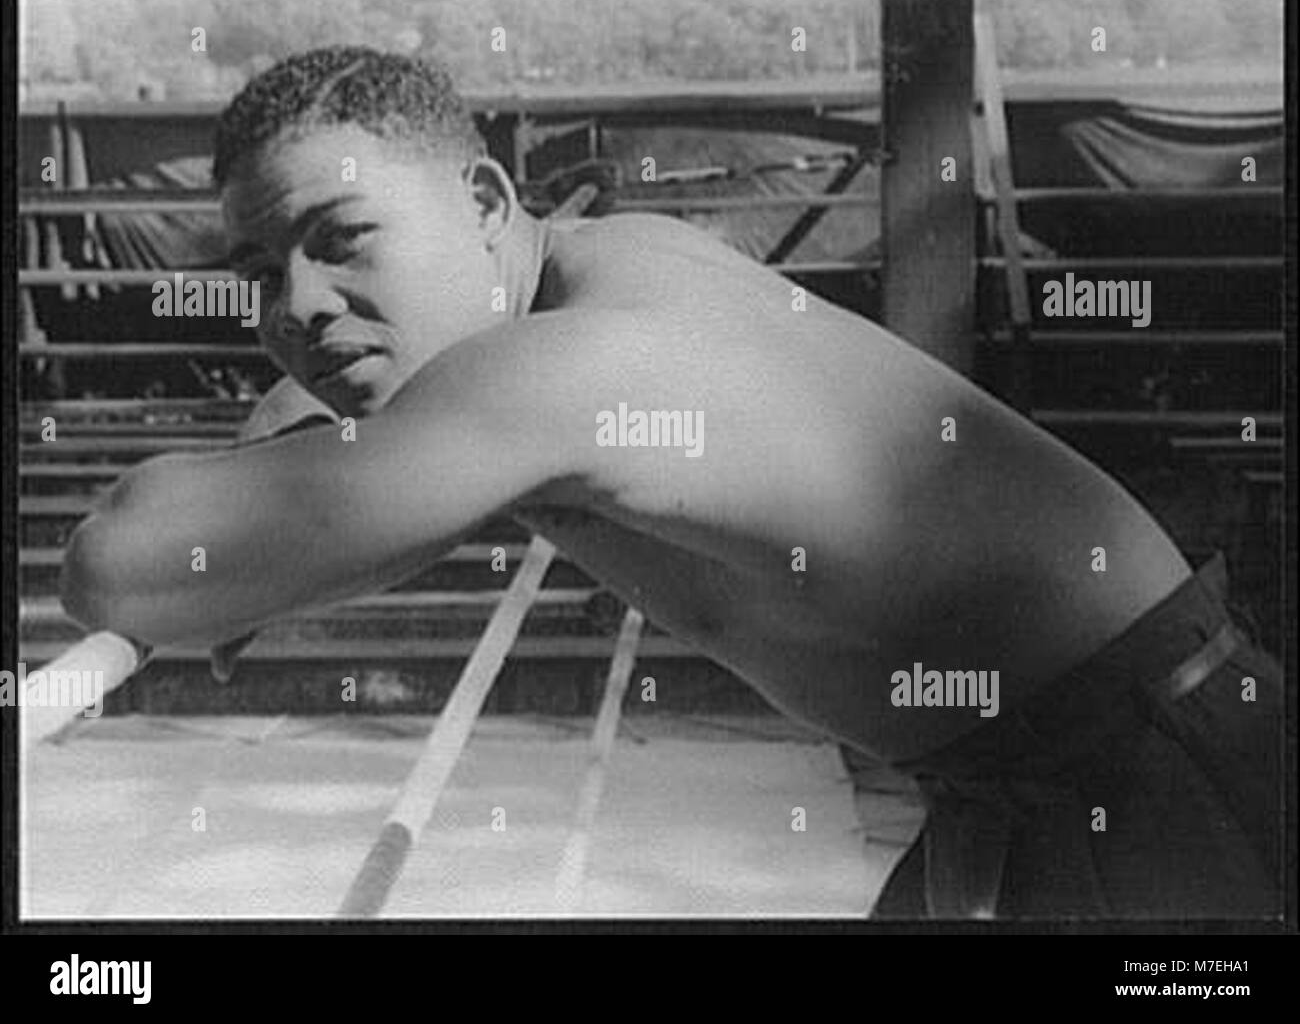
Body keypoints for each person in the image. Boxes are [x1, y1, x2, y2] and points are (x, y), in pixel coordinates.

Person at [60, 46, 1280, 918]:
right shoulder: (607, 265)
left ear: (484, 202)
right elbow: (379, 447)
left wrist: (264, 555)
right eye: (261, 271)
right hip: (1094, 766)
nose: (300, 306)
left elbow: (115, 566)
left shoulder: (562, 370)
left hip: (1158, 797)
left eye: (342, 239)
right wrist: (308, 493)